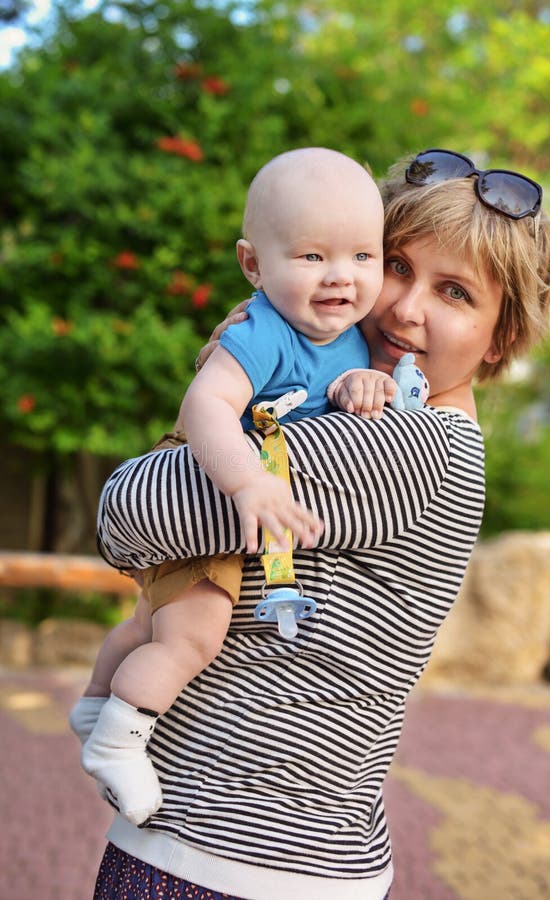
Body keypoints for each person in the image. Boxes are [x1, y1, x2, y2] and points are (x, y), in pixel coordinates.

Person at [90, 148, 550, 899]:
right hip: (286, 850)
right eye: (398, 267)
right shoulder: (362, 407)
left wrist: (220, 392)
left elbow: (129, 513)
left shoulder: (405, 444)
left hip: (230, 848)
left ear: (501, 336)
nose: (405, 308)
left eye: (454, 292)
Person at [70, 147, 385, 826]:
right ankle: (117, 739)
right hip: (208, 480)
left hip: (236, 491)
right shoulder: (261, 329)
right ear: (253, 265)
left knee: (150, 621)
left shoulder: (354, 338)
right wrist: (245, 483)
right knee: (194, 637)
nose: (341, 277)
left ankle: (98, 696)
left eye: (363, 256)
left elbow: (333, 397)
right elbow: (205, 407)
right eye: (311, 257)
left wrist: (365, 382)